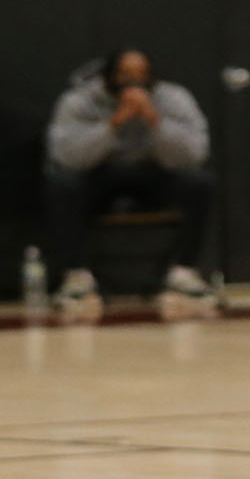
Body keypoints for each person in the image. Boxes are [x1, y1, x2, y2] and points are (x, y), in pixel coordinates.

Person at [44, 49, 214, 315]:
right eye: (125, 73)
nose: (134, 81)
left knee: (199, 182)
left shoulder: (173, 98)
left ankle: (183, 271)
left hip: (153, 173)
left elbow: (194, 154)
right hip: (99, 174)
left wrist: (155, 120)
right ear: (109, 76)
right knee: (61, 183)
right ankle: (77, 276)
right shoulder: (79, 101)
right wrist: (114, 123)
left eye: (141, 73)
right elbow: (67, 157)